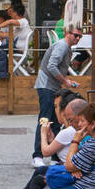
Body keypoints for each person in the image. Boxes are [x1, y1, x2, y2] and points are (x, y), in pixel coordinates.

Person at [0, 95, 86, 189]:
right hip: (76, 174)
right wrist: (52, 139)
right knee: (40, 175)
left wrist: (43, 133)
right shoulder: (73, 131)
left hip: (80, 181)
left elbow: (46, 152)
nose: (54, 110)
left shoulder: (73, 132)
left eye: (56, 106)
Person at [33, 25, 82, 162]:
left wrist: (67, 81)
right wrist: (65, 81)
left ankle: (55, 157)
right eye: (75, 35)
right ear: (67, 33)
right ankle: (37, 156)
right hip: (46, 86)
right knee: (45, 120)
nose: (77, 38)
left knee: (56, 121)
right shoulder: (62, 46)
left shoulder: (65, 47)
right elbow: (51, 66)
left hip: (52, 87)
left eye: (80, 36)